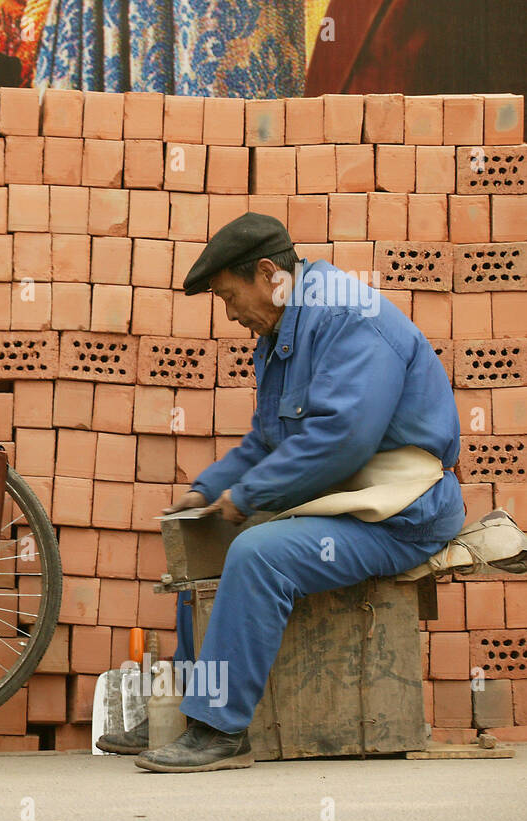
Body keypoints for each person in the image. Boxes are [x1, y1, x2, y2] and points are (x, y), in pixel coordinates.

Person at [97, 212, 467, 772]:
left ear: (268, 273)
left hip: (403, 515)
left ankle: (219, 730)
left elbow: (341, 439)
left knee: (257, 554)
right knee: (203, 545)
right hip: (352, 503)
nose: (230, 314)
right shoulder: (282, 330)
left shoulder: (347, 316)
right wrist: (207, 493)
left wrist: (248, 496)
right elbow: (269, 440)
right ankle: (187, 708)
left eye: (228, 296)